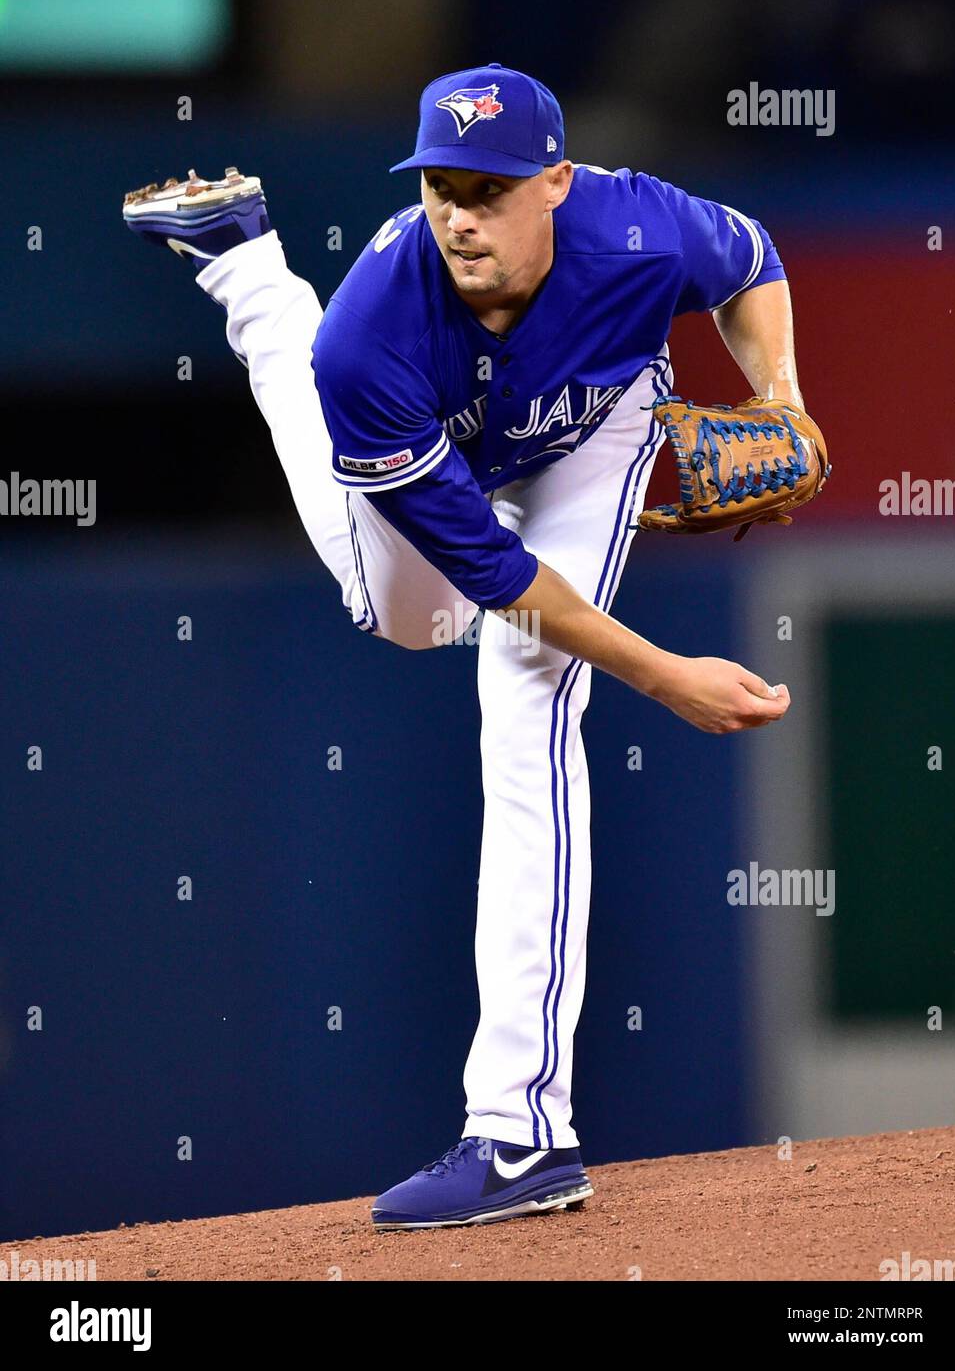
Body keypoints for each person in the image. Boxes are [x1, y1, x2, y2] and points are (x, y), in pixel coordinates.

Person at [123, 63, 795, 1232]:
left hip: (597, 419)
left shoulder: (634, 224)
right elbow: (498, 580)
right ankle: (245, 267)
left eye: (486, 188)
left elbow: (748, 261)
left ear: (554, 181)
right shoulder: (374, 332)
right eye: (440, 184)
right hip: (435, 446)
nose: (458, 214)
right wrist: (665, 674)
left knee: (528, 694)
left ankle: (519, 1131)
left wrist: (779, 397)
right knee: (405, 615)